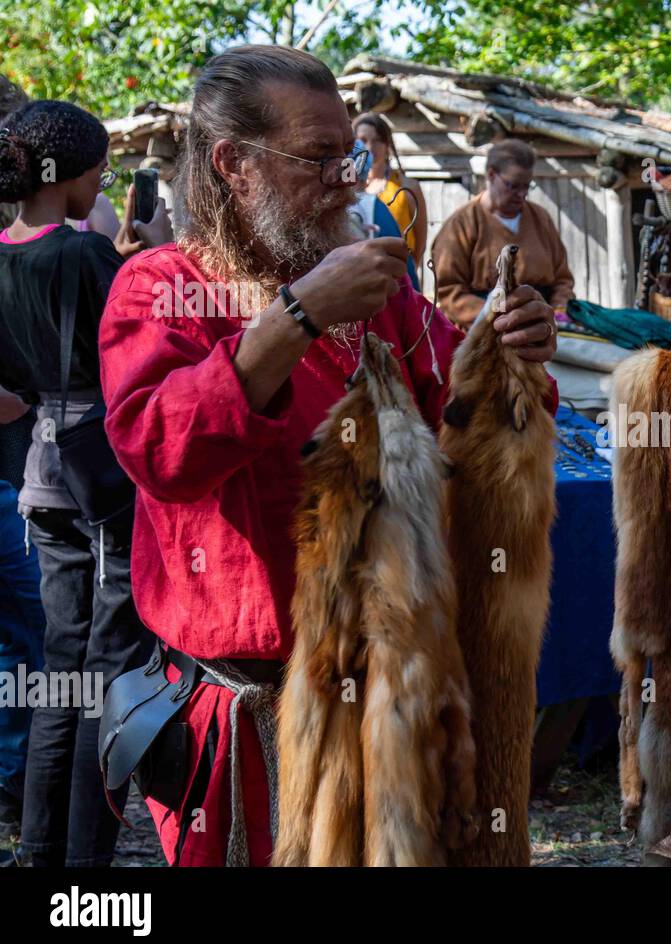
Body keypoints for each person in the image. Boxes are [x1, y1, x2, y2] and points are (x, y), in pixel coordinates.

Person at [97, 44, 559, 866]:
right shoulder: (161, 285)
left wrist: (513, 351)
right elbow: (158, 449)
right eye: (318, 158)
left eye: (349, 153)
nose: (349, 179)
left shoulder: (380, 294)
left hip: (388, 704)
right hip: (248, 722)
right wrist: (294, 320)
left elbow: (469, 415)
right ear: (233, 164)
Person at [0, 99, 171, 866]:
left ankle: (40, 852)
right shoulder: (85, 256)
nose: (104, 180)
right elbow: (150, 349)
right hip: (100, 478)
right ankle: (84, 864)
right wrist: (153, 260)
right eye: (99, 167)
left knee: (57, 677)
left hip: (38, 473)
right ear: (70, 174)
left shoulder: (4, 251)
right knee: (107, 674)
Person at [431, 138, 575, 328]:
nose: (522, 194)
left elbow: (562, 280)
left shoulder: (541, 219)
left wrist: (558, 310)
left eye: (527, 186)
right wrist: (498, 317)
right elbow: (449, 292)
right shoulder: (461, 225)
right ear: (491, 175)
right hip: (486, 329)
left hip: (540, 327)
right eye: (513, 185)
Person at [353, 112, 428, 280]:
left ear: (387, 145)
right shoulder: (351, 191)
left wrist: (407, 275)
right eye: (363, 140)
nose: (370, 147)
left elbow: (420, 243)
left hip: (400, 276)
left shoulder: (408, 187)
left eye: (377, 140)